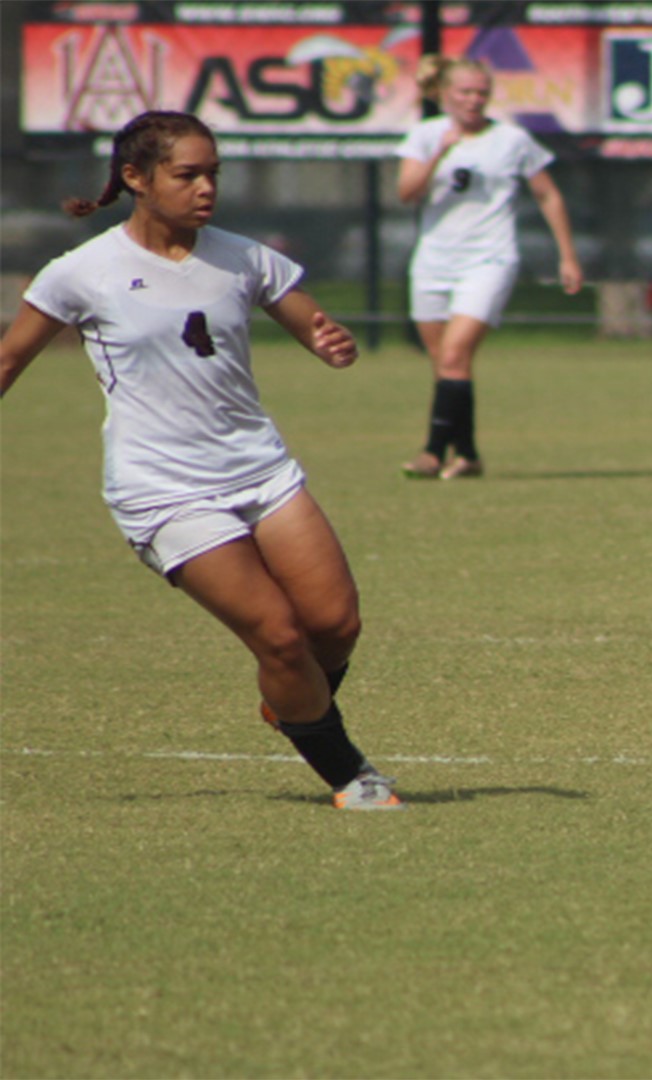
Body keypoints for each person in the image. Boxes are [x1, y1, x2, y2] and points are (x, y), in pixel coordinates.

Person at [0, 111, 402, 810]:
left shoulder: (243, 256)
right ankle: (350, 774)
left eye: (214, 172)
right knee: (279, 638)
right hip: (164, 489)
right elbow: (8, 358)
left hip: (260, 469)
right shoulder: (82, 271)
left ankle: (292, 704)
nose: (206, 187)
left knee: (335, 626)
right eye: (188, 174)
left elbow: (310, 321)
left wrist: (331, 339)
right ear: (136, 179)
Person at [396, 55, 584, 480]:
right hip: (433, 260)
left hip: (489, 258)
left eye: (482, 92)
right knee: (444, 363)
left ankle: (431, 452)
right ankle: (468, 455)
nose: (474, 100)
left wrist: (567, 256)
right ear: (443, 94)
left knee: (455, 354)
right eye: (465, 92)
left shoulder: (512, 140)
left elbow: (548, 195)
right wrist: (439, 154)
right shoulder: (426, 136)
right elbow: (406, 193)